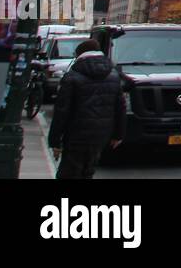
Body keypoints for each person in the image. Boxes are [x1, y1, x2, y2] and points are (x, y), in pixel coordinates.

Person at [47, 38, 125, 179]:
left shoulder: (72, 77)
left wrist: (55, 141)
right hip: (101, 134)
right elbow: (120, 107)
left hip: (75, 135)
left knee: (69, 172)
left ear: (79, 55)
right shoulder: (113, 75)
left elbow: (61, 111)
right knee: (88, 170)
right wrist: (118, 134)